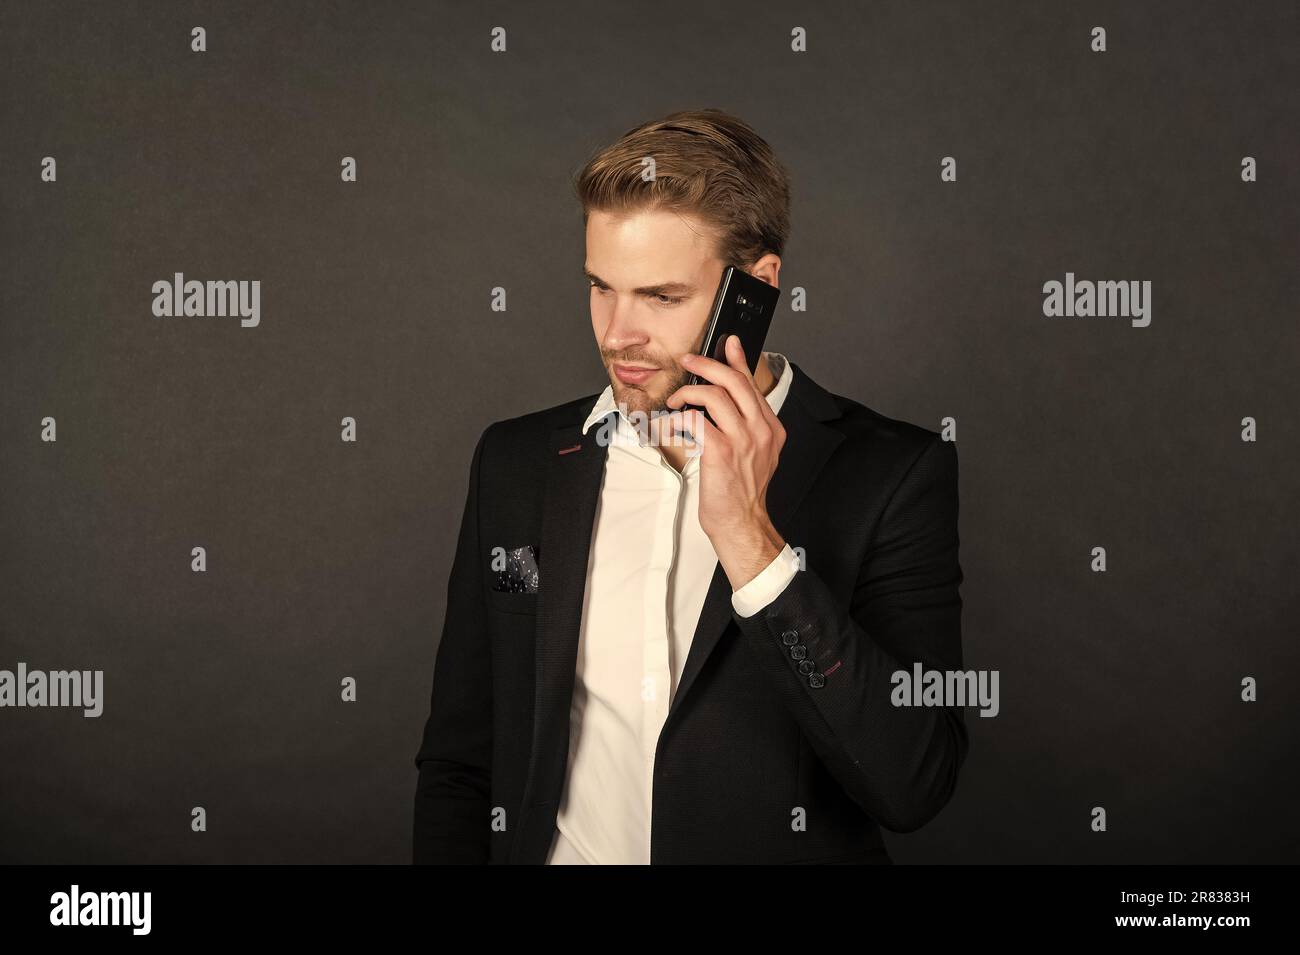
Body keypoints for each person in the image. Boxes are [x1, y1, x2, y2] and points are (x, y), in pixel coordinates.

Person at [414, 107, 967, 864]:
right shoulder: (515, 462)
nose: (617, 333)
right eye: (601, 286)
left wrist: (752, 541)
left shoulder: (892, 473)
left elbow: (914, 780)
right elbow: (460, 760)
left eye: (662, 297)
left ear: (759, 286)